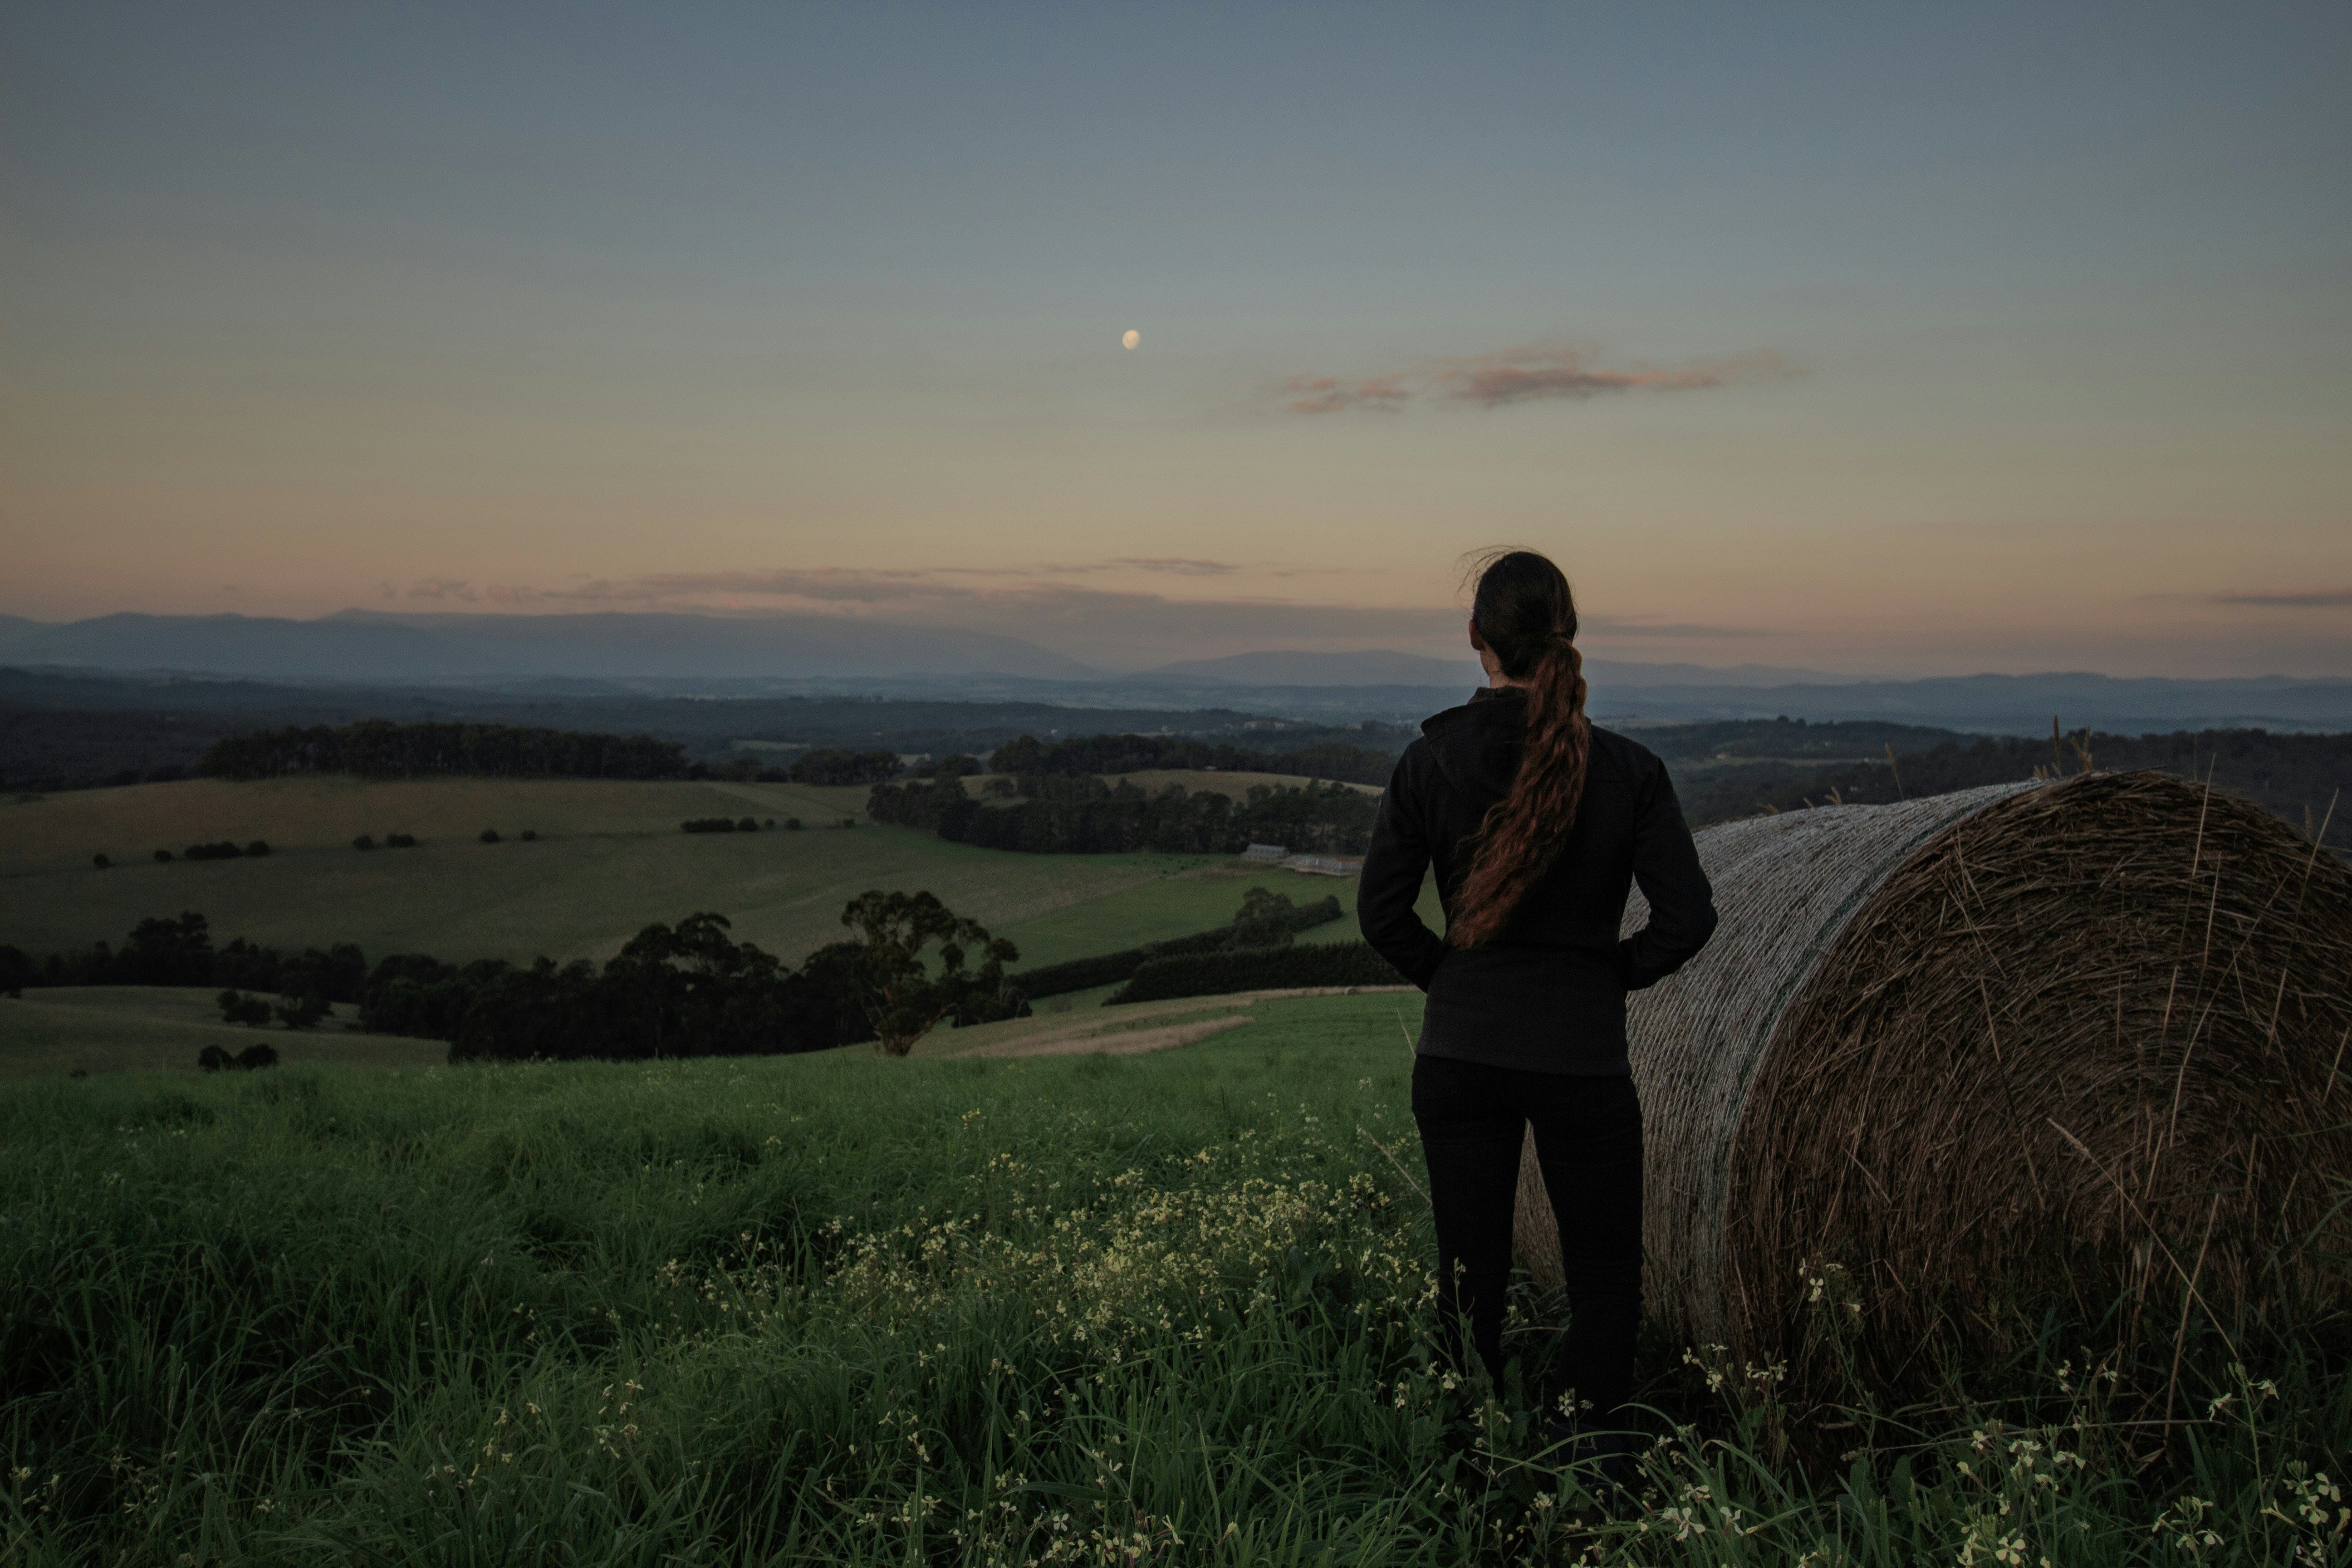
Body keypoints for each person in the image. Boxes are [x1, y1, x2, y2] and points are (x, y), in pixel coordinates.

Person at [1357, 547, 1717, 1469]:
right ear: (1570, 635)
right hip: (1582, 1058)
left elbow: (1381, 914)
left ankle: (1462, 1457)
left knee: (1468, 1275)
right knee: (1604, 1276)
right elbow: (1688, 918)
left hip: (1460, 1054)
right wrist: (1608, 977)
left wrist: (1452, 980)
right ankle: (1591, 1458)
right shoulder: (1629, 770)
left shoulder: (1426, 761)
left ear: (1477, 637)